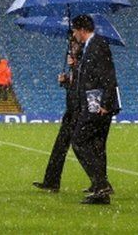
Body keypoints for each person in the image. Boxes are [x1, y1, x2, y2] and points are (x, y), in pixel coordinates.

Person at [69, 14, 120, 205]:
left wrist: (106, 104)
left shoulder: (98, 44)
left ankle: (100, 184)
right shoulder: (89, 47)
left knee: (79, 141)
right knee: (97, 145)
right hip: (93, 103)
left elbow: (108, 75)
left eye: (74, 31)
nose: (74, 35)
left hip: (97, 105)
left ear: (82, 30)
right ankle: (101, 190)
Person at [34, 36, 82, 193]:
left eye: (73, 45)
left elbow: (83, 86)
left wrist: (75, 67)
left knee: (82, 148)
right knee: (60, 147)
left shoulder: (83, 63)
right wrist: (66, 81)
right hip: (71, 111)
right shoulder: (75, 65)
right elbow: (75, 88)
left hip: (79, 111)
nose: (70, 48)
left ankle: (101, 183)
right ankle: (51, 182)